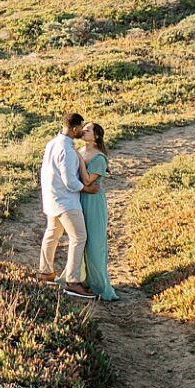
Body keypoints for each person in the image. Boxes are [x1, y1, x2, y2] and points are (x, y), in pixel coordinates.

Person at [38, 112, 96, 300]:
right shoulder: (67, 150)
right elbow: (70, 181)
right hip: (66, 201)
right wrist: (86, 189)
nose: (81, 130)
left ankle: (45, 272)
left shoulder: (52, 144)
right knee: (79, 237)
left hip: (51, 197)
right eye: (80, 127)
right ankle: (73, 281)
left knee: (52, 233)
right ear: (74, 128)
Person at [77, 122, 118, 301]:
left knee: (94, 244)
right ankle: (84, 280)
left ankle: (101, 286)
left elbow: (87, 181)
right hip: (79, 200)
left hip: (93, 202)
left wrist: (78, 160)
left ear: (96, 137)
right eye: (83, 128)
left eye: (88, 130)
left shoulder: (99, 158)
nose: (83, 131)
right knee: (81, 241)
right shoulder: (80, 151)